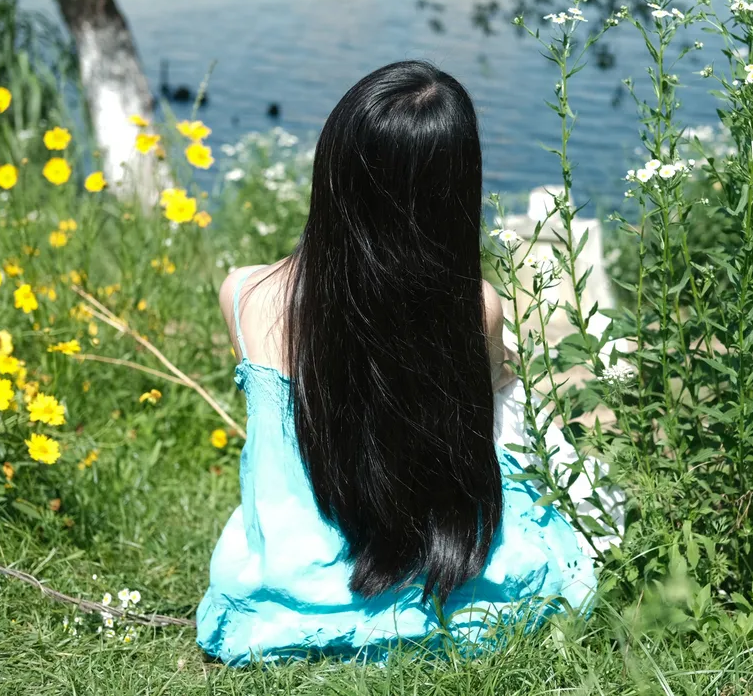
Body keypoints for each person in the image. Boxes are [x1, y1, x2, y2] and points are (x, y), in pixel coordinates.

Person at [196, 60, 598, 664]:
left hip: (282, 576)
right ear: (454, 192)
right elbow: (484, 427)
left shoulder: (244, 294)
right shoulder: (473, 308)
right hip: (437, 567)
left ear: (330, 169)